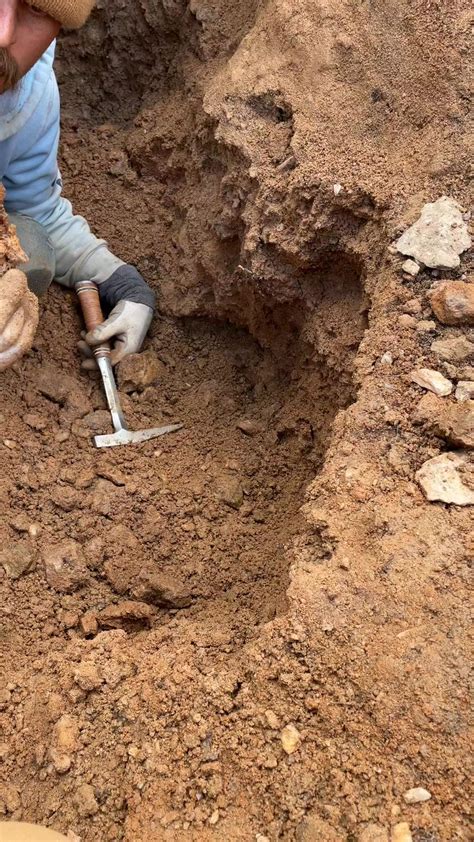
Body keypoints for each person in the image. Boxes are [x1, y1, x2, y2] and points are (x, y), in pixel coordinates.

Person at [0, 0, 156, 372]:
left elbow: (36, 212)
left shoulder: (26, 96)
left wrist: (122, 284)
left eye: (36, 9)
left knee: (32, 247)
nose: (3, 34)